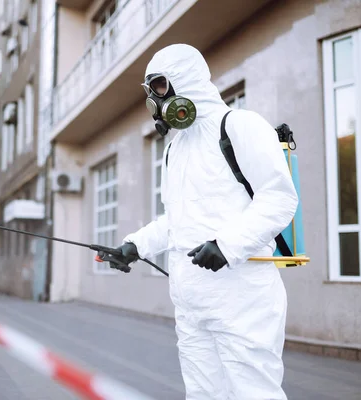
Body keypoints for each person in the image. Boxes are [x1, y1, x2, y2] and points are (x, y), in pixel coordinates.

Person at [102, 44, 298, 399]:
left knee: (254, 392)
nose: (156, 101)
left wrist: (227, 245)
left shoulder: (239, 125)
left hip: (243, 297)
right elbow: (177, 220)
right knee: (203, 394)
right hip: (191, 301)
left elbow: (280, 198)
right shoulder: (175, 149)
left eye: (159, 87)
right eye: (151, 92)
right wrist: (135, 246)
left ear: (184, 80)